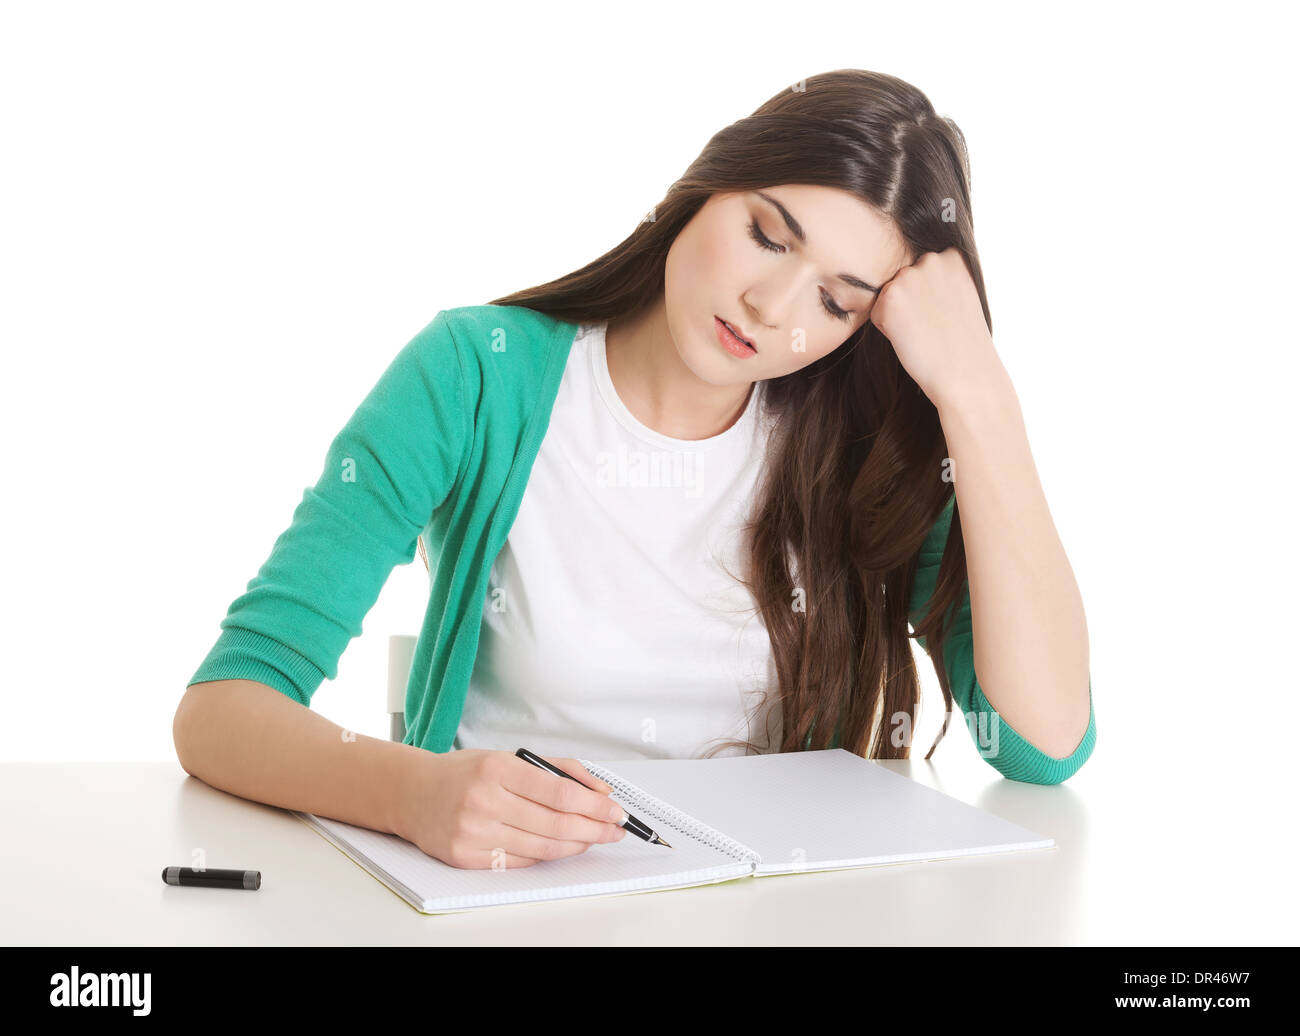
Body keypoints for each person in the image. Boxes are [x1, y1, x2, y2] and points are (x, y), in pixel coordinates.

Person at [174, 68, 1095, 871]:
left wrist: (978, 396)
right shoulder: (476, 373)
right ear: (707, 181)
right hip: (507, 903)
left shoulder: (864, 456)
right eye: (768, 235)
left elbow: (1041, 744)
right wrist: (413, 793)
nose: (771, 308)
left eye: (834, 300)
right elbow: (224, 707)